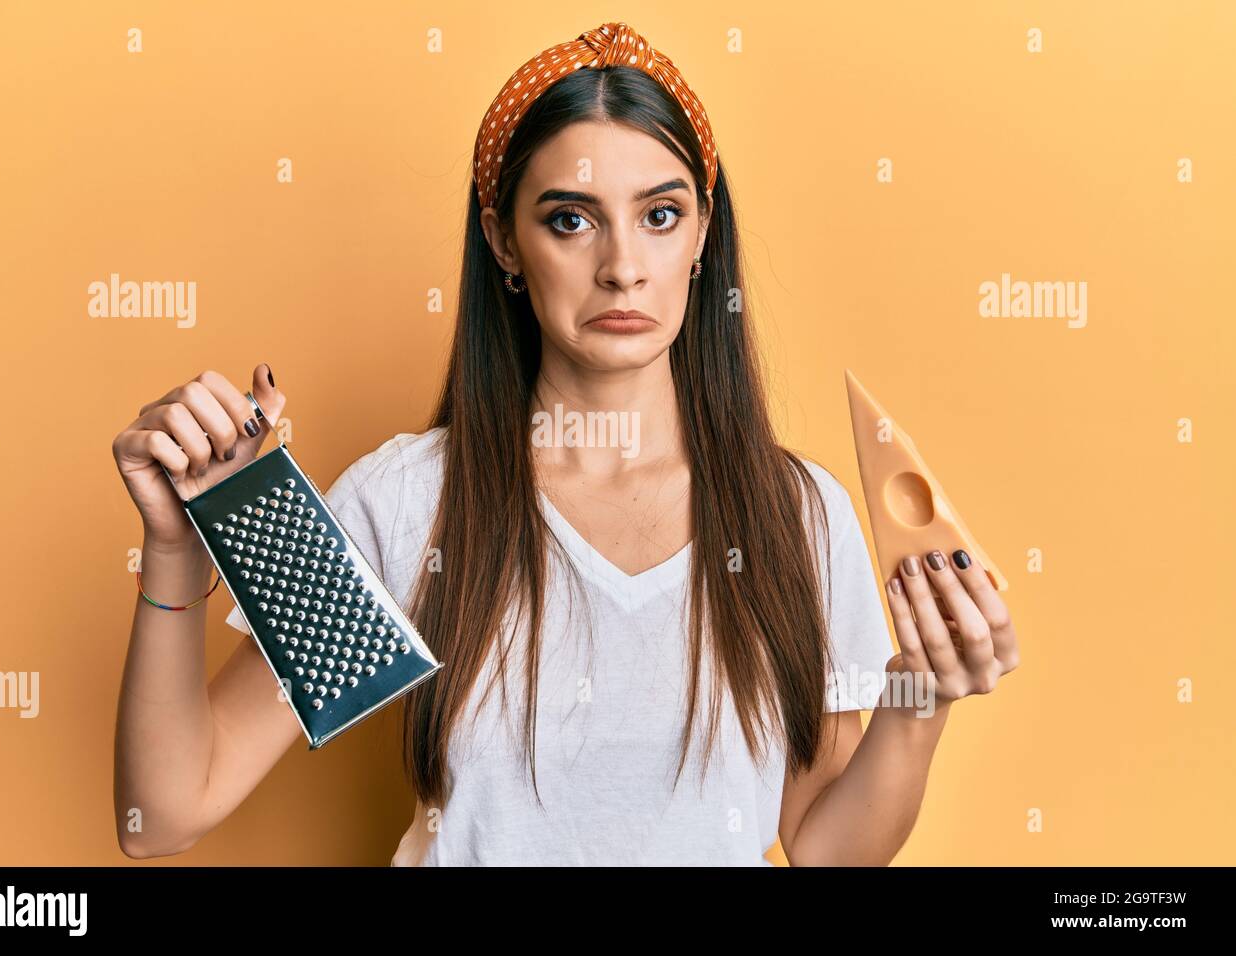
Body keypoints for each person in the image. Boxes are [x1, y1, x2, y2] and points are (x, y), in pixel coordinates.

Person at [111, 21, 1019, 865]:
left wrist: (922, 699)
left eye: (659, 215)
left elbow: (827, 843)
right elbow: (167, 809)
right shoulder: (407, 501)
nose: (622, 264)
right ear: (505, 240)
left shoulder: (794, 515)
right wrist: (172, 551)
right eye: (570, 219)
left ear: (702, 233)